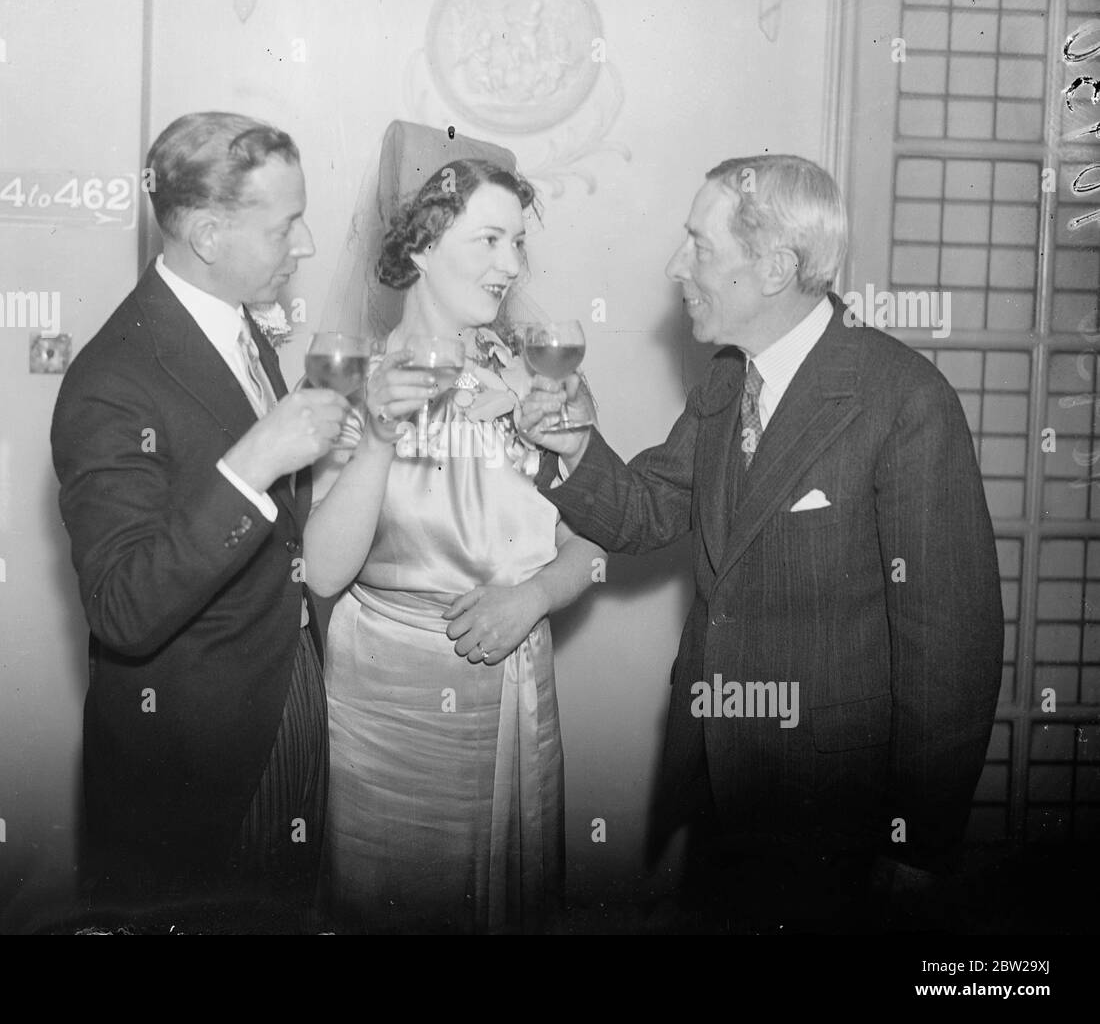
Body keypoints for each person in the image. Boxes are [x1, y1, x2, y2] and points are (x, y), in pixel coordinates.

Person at [520, 154, 1003, 932]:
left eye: (700, 247)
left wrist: (918, 841)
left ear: (776, 267)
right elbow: (647, 509)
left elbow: (950, 645)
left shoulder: (904, 401)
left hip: (834, 814)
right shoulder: (727, 378)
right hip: (717, 784)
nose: (676, 267)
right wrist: (573, 444)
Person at [303, 121, 605, 934]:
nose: (511, 266)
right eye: (490, 239)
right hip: (390, 709)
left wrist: (535, 595)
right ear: (424, 246)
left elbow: (594, 542)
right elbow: (324, 574)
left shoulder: (541, 384)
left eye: (517, 243)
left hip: (520, 693)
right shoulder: (351, 379)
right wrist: (375, 432)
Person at [50, 112, 349, 931]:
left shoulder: (238, 325)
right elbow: (122, 605)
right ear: (210, 234)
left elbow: (265, 525)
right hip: (196, 748)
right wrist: (256, 460)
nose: (308, 243)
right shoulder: (111, 377)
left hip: (283, 687)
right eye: (286, 223)